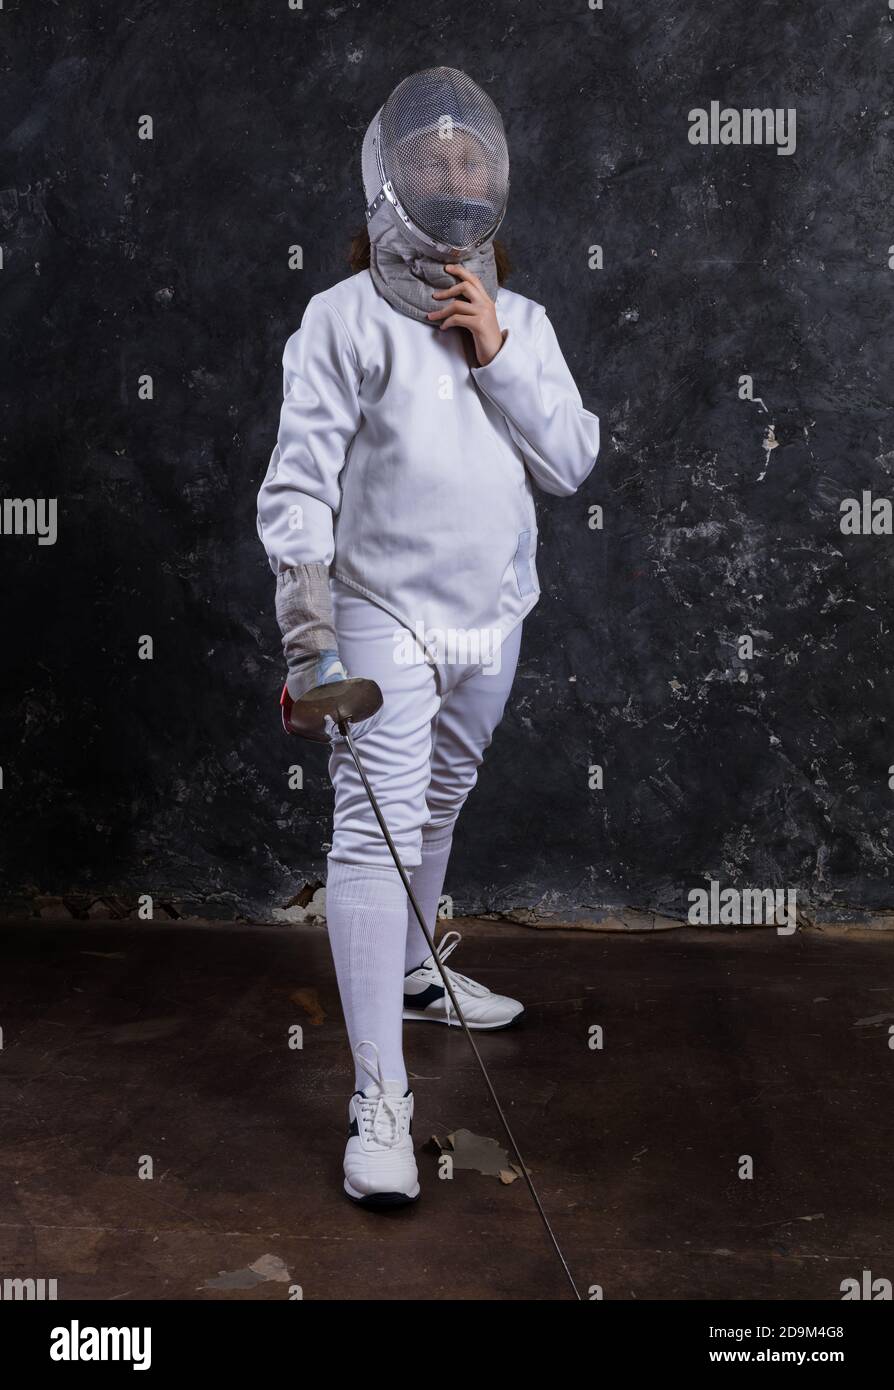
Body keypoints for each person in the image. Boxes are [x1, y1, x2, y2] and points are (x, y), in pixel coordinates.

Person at [257, 67, 599, 1208]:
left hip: (492, 611)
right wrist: (312, 644)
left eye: (470, 162)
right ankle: (381, 1103)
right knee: (375, 831)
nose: (451, 176)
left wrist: (496, 343)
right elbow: (298, 491)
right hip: (381, 614)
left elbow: (571, 463)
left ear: (494, 179)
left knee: (442, 801)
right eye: (428, 161)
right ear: (388, 179)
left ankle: (412, 968)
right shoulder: (343, 321)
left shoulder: (528, 325)